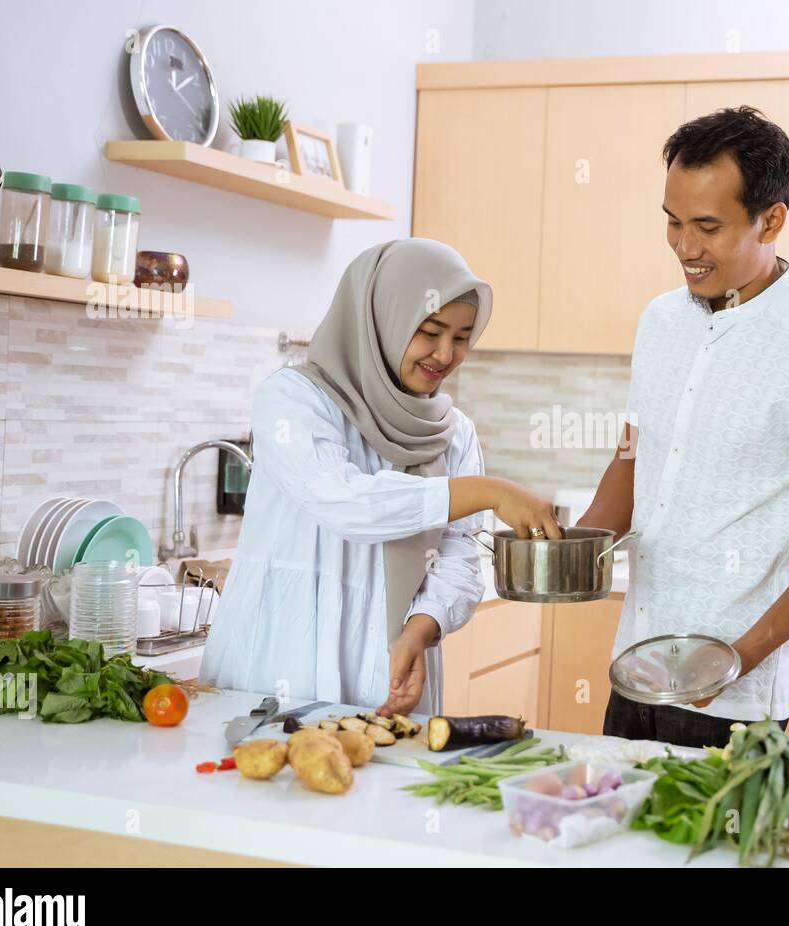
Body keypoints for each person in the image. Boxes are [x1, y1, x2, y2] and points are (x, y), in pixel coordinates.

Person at [580, 107, 789, 748]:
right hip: (635, 667)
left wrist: (739, 656)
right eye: (672, 221)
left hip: (734, 699)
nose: (685, 247)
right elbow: (635, 457)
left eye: (708, 227)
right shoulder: (659, 321)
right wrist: (575, 549)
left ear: (771, 219)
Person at [200, 238, 561, 716]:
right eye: (430, 331)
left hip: (394, 680)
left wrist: (422, 627)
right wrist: (487, 493)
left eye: (461, 336)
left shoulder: (454, 434)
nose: (445, 353)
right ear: (381, 319)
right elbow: (344, 502)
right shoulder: (294, 400)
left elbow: (459, 557)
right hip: (278, 664)